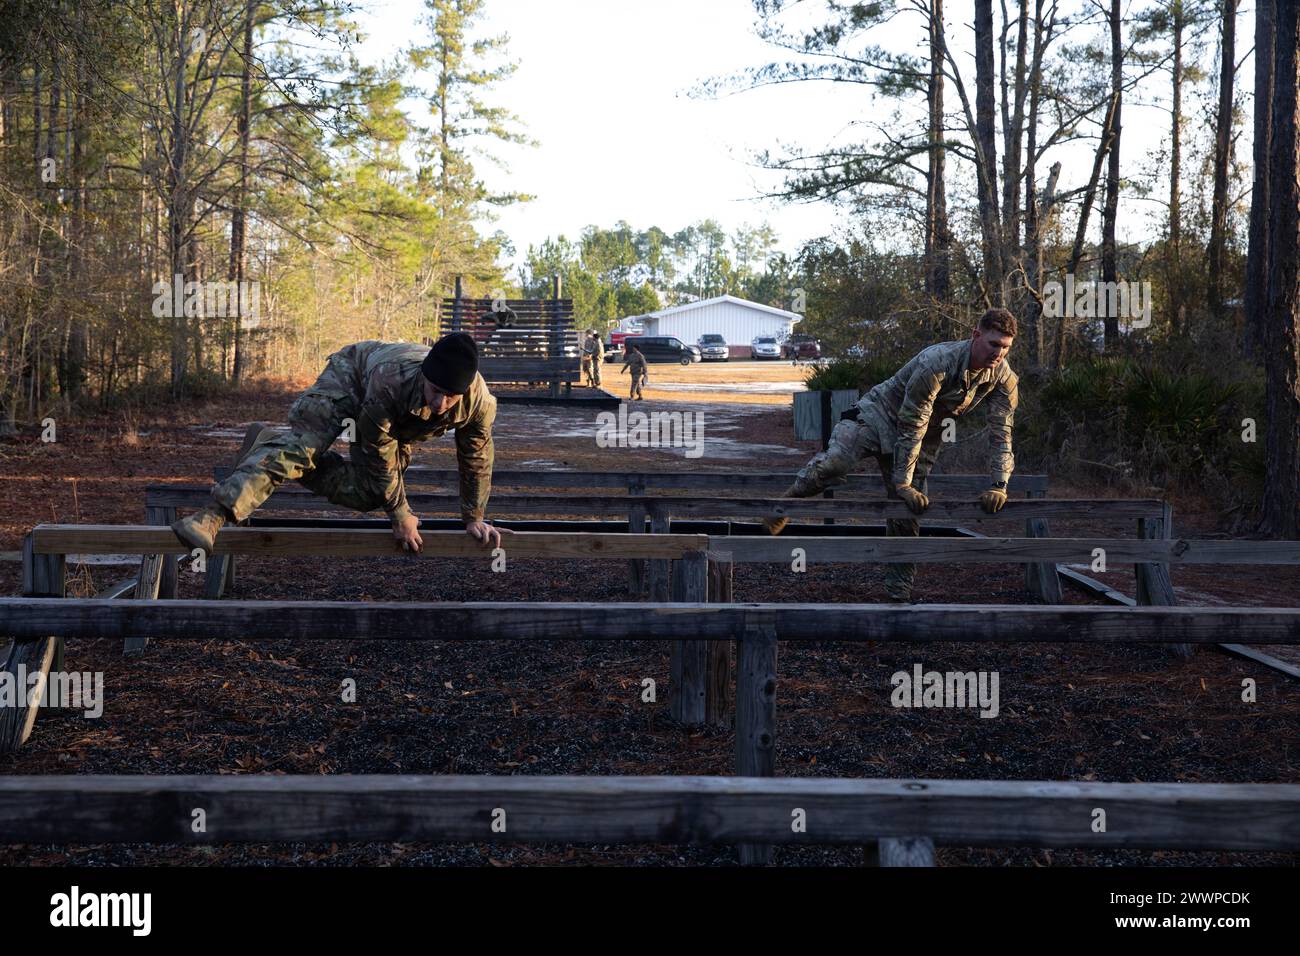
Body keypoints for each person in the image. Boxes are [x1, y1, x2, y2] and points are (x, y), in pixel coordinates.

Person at [170, 332, 508, 556]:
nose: (440, 406)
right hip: (352, 378)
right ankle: (211, 517)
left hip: (392, 422)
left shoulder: (480, 404)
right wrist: (401, 514)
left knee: (372, 493)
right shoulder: (391, 379)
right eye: (436, 392)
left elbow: (476, 458)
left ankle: (268, 444)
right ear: (424, 377)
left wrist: (473, 517)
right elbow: (379, 452)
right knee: (304, 448)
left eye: (451, 397)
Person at [765, 308, 1019, 602]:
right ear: (976, 336)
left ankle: (897, 594)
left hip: (925, 437)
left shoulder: (1005, 379)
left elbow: (1002, 433)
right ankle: (783, 503)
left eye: (1005, 347)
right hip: (878, 416)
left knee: (909, 511)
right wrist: (902, 483)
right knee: (835, 464)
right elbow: (913, 421)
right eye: (993, 344)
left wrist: (999, 485)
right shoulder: (937, 362)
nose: (998, 353)